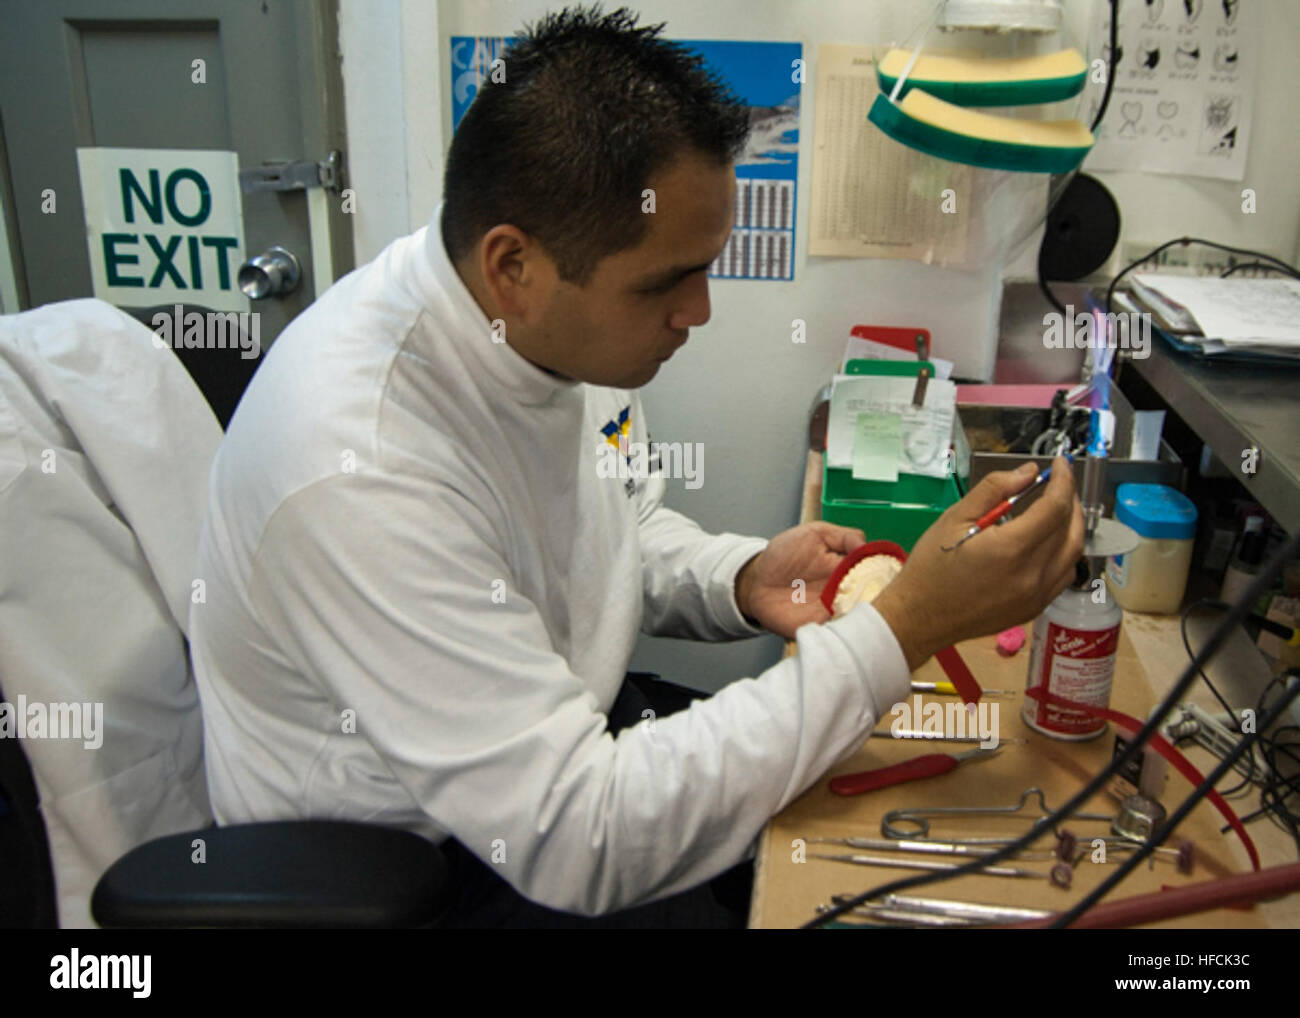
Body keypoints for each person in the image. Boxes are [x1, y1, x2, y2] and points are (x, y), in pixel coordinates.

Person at [189, 6, 1083, 927]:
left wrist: (738, 577)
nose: (697, 312)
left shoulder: (552, 337)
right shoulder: (362, 464)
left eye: (704, 268)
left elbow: (610, 528)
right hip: (419, 857)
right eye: (665, 282)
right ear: (514, 268)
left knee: (823, 823)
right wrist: (905, 628)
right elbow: (576, 834)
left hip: (556, 743)